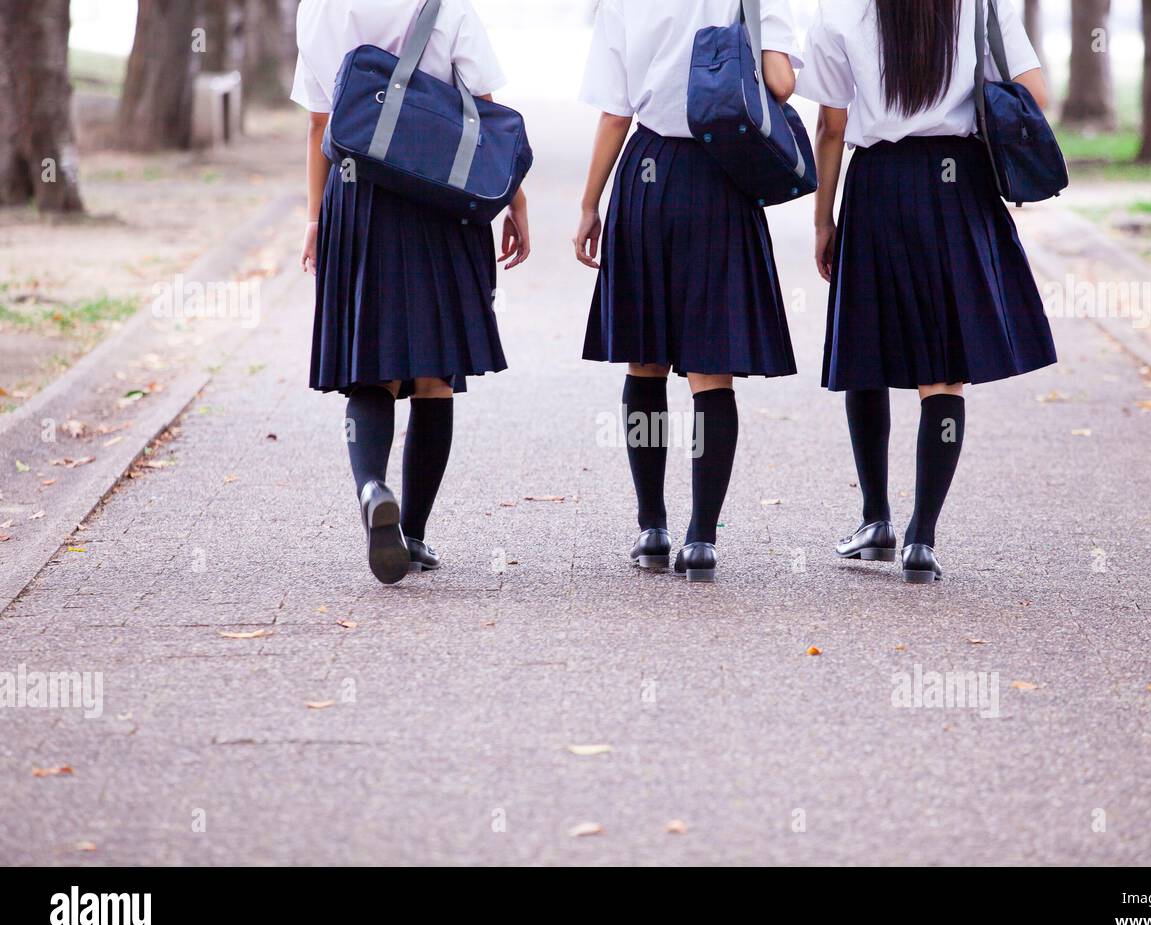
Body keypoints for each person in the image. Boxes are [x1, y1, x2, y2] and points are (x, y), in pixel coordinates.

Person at [799, 0, 1057, 584]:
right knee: (942, 371)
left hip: (878, 184)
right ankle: (923, 538)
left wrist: (823, 219)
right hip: (955, 185)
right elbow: (1035, 95)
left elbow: (831, 125)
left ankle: (876, 520)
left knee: (865, 351)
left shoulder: (842, 11)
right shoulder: (982, 5)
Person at [292, 0, 530, 584]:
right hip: (441, 197)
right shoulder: (448, 6)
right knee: (434, 374)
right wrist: (514, 200)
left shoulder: (319, 8)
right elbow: (484, 110)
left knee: (369, 366)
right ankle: (415, 534)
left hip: (357, 195)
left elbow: (322, 121)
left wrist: (316, 219)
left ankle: (373, 486)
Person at [575, 0, 803, 583]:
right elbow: (779, 82)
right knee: (711, 369)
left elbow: (615, 112)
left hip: (647, 173)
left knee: (645, 360)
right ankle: (702, 538)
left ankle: (652, 529)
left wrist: (588, 204)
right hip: (724, 174)